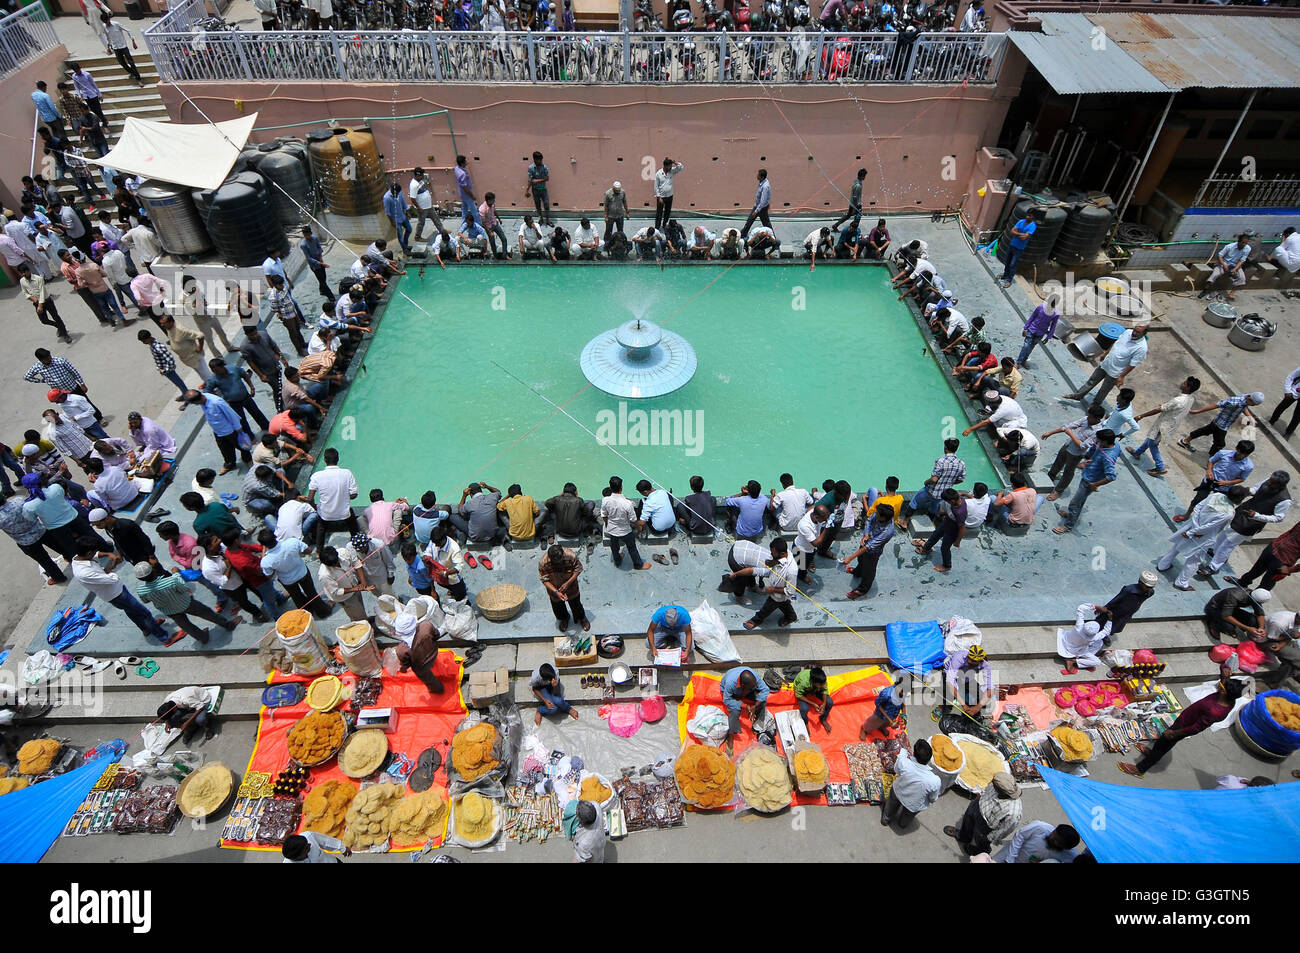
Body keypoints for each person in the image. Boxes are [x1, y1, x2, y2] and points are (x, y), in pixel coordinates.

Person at [1119, 668, 1244, 777]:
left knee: (1164, 745)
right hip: (1185, 718)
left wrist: (1174, 733)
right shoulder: (1227, 697)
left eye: (1222, 686)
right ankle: (1152, 753)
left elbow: (1196, 728)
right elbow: (1224, 676)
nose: (1221, 684)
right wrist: (1225, 674)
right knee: (1162, 741)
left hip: (1184, 727)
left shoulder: (1215, 712)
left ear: (1223, 691)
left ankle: (1141, 769)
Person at [1184, 471, 1292, 582]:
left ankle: (1214, 566)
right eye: (1269, 480)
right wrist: (1244, 491)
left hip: (1251, 523)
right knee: (1224, 533)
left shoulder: (1284, 500)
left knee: (1228, 544)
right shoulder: (1268, 481)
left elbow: (1279, 518)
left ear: (1280, 485)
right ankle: (1215, 551)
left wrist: (1257, 516)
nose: (1269, 482)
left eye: (1272, 483)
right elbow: (1255, 489)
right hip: (1243, 511)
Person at [70, 536, 170, 641]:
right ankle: (163, 636)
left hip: (115, 591)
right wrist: (112, 567)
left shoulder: (79, 557)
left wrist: (107, 554)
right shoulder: (84, 573)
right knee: (144, 613)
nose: (96, 553)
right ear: (88, 553)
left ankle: (147, 628)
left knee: (131, 611)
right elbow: (112, 579)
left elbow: (95, 556)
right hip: (116, 594)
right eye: (94, 551)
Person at [134, 562, 234, 646]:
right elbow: (183, 588)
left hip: (169, 611)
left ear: (140, 579)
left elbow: (146, 600)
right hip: (186, 603)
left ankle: (202, 637)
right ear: (154, 571)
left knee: (186, 625)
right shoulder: (171, 580)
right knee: (206, 613)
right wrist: (176, 573)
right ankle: (227, 624)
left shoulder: (141, 590)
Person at [1128, 376, 1201, 477]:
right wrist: (1167, 405)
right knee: (1150, 439)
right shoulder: (1190, 399)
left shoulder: (1178, 400)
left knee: (1153, 444)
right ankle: (1137, 453)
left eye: (1184, 383)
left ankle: (1160, 467)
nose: (1182, 383)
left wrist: (1141, 416)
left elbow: (1159, 409)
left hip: (1164, 425)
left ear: (1188, 388)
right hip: (1171, 425)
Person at [1064, 321, 1149, 406]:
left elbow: (1133, 364)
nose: (1134, 333)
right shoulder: (1127, 332)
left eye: (1138, 332)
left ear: (1144, 333)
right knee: (1091, 381)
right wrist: (1105, 354)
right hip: (1106, 364)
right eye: (1134, 330)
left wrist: (1121, 376)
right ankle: (1078, 395)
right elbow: (1116, 343)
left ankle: (1095, 405)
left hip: (1115, 372)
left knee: (1104, 390)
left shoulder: (1141, 348)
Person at [1053, 429, 1120, 535]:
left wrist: (1095, 484)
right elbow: (1098, 451)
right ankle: (1071, 516)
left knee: (1075, 504)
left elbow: (1111, 476)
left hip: (1090, 481)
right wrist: (1090, 460)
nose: (1097, 442)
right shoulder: (1114, 445)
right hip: (1088, 473)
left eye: (1099, 441)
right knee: (1079, 501)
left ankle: (1068, 526)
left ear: (1105, 441)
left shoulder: (1108, 457)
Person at [1172, 440, 1254, 523]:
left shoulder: (1248, 466)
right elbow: (1211, 461)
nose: (1242, 456)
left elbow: (1242, 478)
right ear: (1237, 448)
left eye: (1245, 454)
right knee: (1198, 499)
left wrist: (1226, 483)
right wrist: (1209, 471)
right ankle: (1187, 515)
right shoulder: (1223, 453)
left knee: (1215, 506)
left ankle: (1204, 521)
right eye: (1240, 453)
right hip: (1210, 481)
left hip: (1224, 488)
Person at [945, 772, 1022, 855]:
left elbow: (1004, 830)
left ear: (1001, 791)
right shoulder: (995, 784)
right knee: (967, 822)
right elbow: (986, 790)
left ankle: (978, 851)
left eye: (995, 785)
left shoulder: (1013, 813)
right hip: (978, 805)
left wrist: (989, 838)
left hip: (986, 825)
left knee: (981, 841)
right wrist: (979, 797)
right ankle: (963, 836)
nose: (992, 783)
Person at [729, 538, 798, 629]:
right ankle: (791, 616)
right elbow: (752, 571)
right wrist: (736, 574)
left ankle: (756, 620)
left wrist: (772, 590)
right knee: (784, 604)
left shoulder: (791, 571)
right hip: (776, 590)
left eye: (773, 553)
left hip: (777, 593)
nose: (771, 555)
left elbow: (790, 591)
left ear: (781, 554)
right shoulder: (782, 556)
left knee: (768, 607)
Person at [258, 528, 327, 617]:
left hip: (288, 581)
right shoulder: (292, 542)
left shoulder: (266, 561)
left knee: (297, 598)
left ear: (263, 545)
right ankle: (323, 612)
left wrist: (264, 555)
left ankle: (307, 615)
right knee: (311, 593)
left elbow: (269, 575)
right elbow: (309, 551)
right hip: (302, 573)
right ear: (275, 536)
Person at [1042, 404, 1105, 501]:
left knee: (1068, 472)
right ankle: (1050, 477)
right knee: (1057, 463)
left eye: (1090, 417)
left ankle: (1058, 491)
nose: (1088, 418)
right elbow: (1068, 426)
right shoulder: (1086, 419)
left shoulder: (1097, 432)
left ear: (1097, 418)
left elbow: (1083, 445)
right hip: (1067, 446)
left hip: (1076, 453)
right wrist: (1050, 433)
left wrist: (1071, 434)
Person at [0, 497, 67, 584]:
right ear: (4, 497)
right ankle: (70, 557)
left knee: (44, 560)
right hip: (40, 530)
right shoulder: (18, 501)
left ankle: (58, 578)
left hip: (26, 542)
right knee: (59, 545)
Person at [181, 389, 249, 474]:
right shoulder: (202, 401)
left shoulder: (217, 402)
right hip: (218, 431)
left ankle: (248, 460)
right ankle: (229, 464)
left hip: (230, 430)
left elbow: (231, 415)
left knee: (242, 446)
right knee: (224, 449)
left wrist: (239, 429)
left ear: (198, 399)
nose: (196, 405)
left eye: (195, 403)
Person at [1179, 392, 1265, 457]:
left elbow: (1244, 407)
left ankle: (1185, 441)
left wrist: (1250, 417)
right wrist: (1198, 411)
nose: (1253, 406)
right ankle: (1211, 460)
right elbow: (1217, 405)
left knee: (1204, 431)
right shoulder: (1235, 402)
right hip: (1221, 425)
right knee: (1219, 444)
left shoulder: (1245, 397)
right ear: (1250, 400)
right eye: (1253, 404)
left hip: (1218, 421)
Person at [899, 438, 965, 522]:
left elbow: (934, 479)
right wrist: (949, 482)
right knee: (934, 507)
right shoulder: (961, 463)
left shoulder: (941, 461)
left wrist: (926, 482)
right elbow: (961, 479)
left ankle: (905, 521)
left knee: (915, 501)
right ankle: (928, 523)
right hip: (943, 494)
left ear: (945, 448)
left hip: (931, 490)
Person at [306, 447, 360, 550]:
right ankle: (356, 542)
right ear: (338, 459)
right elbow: (354, 494)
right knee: (352, 522)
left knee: (321, 526)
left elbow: (309, 499)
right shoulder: (347, 473)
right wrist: (343, 496)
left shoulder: (317, 476)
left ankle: (319, 550)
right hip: (344, 513)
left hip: (326, 514)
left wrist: (317, 508)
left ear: (325, 459)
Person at [882, 739, 939, 831]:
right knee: (908, 815)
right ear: (929, 759)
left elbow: (897, 769)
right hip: (914, 804)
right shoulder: (935, 780)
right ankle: (902, 824)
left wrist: (904, 752)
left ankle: (886, 819)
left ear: (914, 753)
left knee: (891, 805)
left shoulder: (904, 763)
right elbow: (933, 798)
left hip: (898, 792)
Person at [842, 503, 895, 599]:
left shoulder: (887, 531)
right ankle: (858, 572)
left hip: (873, 551)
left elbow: (869, 547)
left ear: (883, 518)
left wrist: (850, 558)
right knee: (861, 559)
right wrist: (866, 534)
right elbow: (869, 520)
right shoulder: (878, 513)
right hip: (866, 541)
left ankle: (863, 589)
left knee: (869, 570)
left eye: (877, 514)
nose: (875, 514)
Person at [1235, 520, 1300, 591]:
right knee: (1255, 570)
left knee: (1267, 583)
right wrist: (1276, 542)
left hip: (1283, 560)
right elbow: (1291, 532)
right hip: (1273, 548)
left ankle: (1253, 600)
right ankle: (1241, 583)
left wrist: (1289, 570)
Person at [601, 476, 649, 570]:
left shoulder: (605, 500)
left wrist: (608, 525)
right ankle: (638, 564)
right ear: (621, 487)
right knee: (632, 548)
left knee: (614, 547)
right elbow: (633, 519)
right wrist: (639, 528)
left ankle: (617, 560)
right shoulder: (627, 503)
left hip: (612, 530)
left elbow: (604, 515)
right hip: (625, 531)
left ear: (610, 487)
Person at [538, 543, 589, 633]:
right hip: (554, 587)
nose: (559, 563)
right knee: (557, 606)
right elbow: (544, 579)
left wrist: (568, 583)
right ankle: (564, 618)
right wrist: (555, 591)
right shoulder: (543, 563)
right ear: (550, 559)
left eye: (561, 560)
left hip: (571, 586)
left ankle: (582, 618)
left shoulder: (571, 555)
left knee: (576, 604)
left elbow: (578, 569)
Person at [914, 488, 966, 573]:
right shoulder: (959, 498)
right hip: (947, 522)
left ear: (952, 501)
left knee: (945, 548)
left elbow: (962, 528)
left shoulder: (959, 512)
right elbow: (960, 493)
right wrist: (969, 495)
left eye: (947, 501)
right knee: (935, 535)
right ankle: (927, 548)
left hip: (953, 530)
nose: (945, 502)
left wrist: (957, 541)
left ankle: (947, 565)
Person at [16, 264, 71, 343]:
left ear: (28, 271)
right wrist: (32, 298)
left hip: (46, 301)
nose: (23, 274)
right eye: (21, 273)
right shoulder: (22, 281)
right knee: (44, 320)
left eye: (24, 272)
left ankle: (65, 333)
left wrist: (40, 305)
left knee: (55, 316)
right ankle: (58, 326)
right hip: (36, 302)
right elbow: (25, 292)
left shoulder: (38, 279)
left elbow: (42, 292)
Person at [720, 666, 769, 754]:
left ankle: (756, 724)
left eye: (755, 685)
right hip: (733, 694)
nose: (755, 686)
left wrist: (755, 706)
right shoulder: (730, 683)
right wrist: (745, 706)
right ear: (743, 685)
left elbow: (765, 690)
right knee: (734, 711)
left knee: (762, 702)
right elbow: (726, 700)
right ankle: (730, 737)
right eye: (753, 686)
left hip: (745, 691)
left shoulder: (753, 676)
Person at [1094, 571, 1160, 637]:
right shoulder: (1129, 590)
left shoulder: (1150, 593)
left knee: (1116, 627)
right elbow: (1116, 600)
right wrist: (1104, 608)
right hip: (1115, 612)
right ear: (1140, 582)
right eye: (1147, 587)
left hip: (1126, 614)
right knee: (1103, 623)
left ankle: (1105, 635)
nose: (1149, 589)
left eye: (1151, 587)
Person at [317, 543, 371, 622]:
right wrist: (355, 589)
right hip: (345, 597)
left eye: (337, 562)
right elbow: (336, 591)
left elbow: (356, 562)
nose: (337, 564)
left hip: (354, 585)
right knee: (357, 616)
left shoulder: (343, 552)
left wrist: (363, 581)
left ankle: (364, 619)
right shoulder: (324, 575)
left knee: (360, 608)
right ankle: (364, 626)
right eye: (334, 565)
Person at [1056, 603, 1111, 674]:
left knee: (1099, 643)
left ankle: (1080, 660)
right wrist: (1110, 619)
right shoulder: (1094, 638)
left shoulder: (1079, 626)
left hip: (1065, 642)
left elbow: (1081, 608)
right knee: (1097, 662)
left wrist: (1096, 607)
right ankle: (1074, 661)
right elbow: (1106, 631)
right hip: (1074, 651)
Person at [1202, 585, 1270, 642]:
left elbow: (1260, 613)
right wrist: (1248, 628)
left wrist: (1261, 628)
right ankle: (1213, 624)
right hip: (1215, 607)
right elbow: (1226, 616)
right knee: (1229, 627)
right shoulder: (1234, 596)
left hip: (1231, 609)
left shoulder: (1255, 597)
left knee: (1253, 620)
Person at [1198, 234, 1252, 301]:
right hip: (1225, 263)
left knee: (1242, 278)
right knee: (1215, 274)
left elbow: (1242, 260)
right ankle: (1205, 290)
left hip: (1235, 265)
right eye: (1242, 243)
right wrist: (1224, 265)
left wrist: (1235, 269)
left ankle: (1231, 293)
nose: (1244, 245)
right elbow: (1220, 256)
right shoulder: (1229, 246)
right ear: (1238, 241)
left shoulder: (1247, 248)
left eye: (1246, 243)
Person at [452, 482, 505, 547]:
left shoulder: (469, 504)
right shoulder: (492, 498)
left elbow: (460, 510)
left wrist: (464, 496)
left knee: (452, 517)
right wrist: (487, 486)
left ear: (470, 494)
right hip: (492, 535)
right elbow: (498, 492)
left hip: (475, 536)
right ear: (481, 490)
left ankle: (458, 535)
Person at [945, 645, 993, 716]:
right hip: (951, 676)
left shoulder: (985, 665)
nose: (969, 661)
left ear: (979, 661)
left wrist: (977, 708)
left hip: (967, 679)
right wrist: (964, 705)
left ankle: (970, 712)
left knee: (979, 698)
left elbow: (990, 688)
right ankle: (943, 707)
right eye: (969, 658)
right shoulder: (959, 658)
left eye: (973, 661)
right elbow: (950, 681)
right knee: (947, 694)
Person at [997, 823, 1080, 863]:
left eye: (1056, 841)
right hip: (1008, 856)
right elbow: (1020, 835)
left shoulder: (1070, 856)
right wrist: (1010, 859)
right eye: (1052, 834)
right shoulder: (1041, 827)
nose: (1051, 838)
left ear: (1066, 847)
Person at [1017, 295, 1060, 368]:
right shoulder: (1040, 307)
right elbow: (1032, 317)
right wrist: (1025, 328)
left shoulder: (1056, 314)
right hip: (1032, 329)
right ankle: (1018, 362)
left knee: (1031, 347)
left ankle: (1024, 360)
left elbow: (1053, 326)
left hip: (1041, 333)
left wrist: (1048, 337)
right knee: (1026, 346)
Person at [999, 209, 1039, 285]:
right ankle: (1005, 275)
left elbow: (1024, 238)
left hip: (1019, 248)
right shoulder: (1021, 221)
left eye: (1029, 216)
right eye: (1027, 215)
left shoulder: (1033, 226)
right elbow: (1012, 231)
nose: (1027, 217)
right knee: (1007, 262)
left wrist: (1017, 234)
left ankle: (1009, 280)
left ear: (1033, 217)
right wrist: (1022, 234)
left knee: (1013, 264)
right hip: (1012, 245)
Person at [793, 665, 833, 733]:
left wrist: (824, 703)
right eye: (820, 685)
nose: (823, 686)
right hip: (804, 691)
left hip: (814, 689)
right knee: (804, 709)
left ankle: (823, 719)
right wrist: (813, 703)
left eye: (823, 684)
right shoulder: (804, 682)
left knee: (830, 702)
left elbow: (825, 690)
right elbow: (798, 695)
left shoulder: (822, 680)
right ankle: (805, 722)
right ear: (813, 682)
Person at [408, 167, 441, 242]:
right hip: (422, 208)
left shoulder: (421, 181)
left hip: (429, 206)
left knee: (436, 218)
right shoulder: (413, 185)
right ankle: (418, 237)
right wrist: (419, 208)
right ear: (417, 175)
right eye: (421, 175)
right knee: (421, 223)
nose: (423, 176)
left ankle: (442, 231)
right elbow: (412, 198)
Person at [739, 168, 772, 239]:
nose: (756, 176)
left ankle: (773, 238)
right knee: (750, 221)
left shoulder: (765, 186)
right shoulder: (762, 183)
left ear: (762, 177)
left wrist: (756, 211)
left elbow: (763, 201)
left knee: (766, 224)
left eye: (758, 175)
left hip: (761, 208)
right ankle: (743, 234)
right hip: (758, 206)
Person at [653, 158, 683, 230]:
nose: (670, 168)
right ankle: (657, 227)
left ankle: (664, 225)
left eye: (671, 166)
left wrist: (674, 162)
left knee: (667, 212)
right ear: (665, 166)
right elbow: (656, 186)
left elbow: (681, 167)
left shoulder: (672, 171)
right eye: (669, 166)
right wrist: (659, 197)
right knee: (659, 213)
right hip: (661, 197)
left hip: (670, 196)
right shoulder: (658, 174)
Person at [282, 832, 350, 863]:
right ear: (297, 857)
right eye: (306, 848)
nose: (309, 844)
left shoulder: (308, 836)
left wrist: (342, 847)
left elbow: (326, 841)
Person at [479, 192, 509, 259]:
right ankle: (495, 256)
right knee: (492, 242)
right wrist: (489, 232)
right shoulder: (482, 209)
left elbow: (494, 211)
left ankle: (505, 255)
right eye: (493, 200)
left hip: (494, 223)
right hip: (488, 227)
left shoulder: (492, 204)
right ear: (488, 200)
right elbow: (483, 222)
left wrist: (499, 218)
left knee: (504, 238)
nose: (494, 201)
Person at [526, 151, 552, 225]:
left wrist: (537, 180)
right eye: (538, 160)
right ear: (534, 159)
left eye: (541, 160)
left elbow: (547, 178)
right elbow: (530, 180)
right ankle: (541, 218)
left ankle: (547, 220)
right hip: (535, 190)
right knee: (538, 205)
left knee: (546, 204)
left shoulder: (544, 167)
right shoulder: (531, 168)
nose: (540, 161)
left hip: (543, 189)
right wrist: (527, 190)